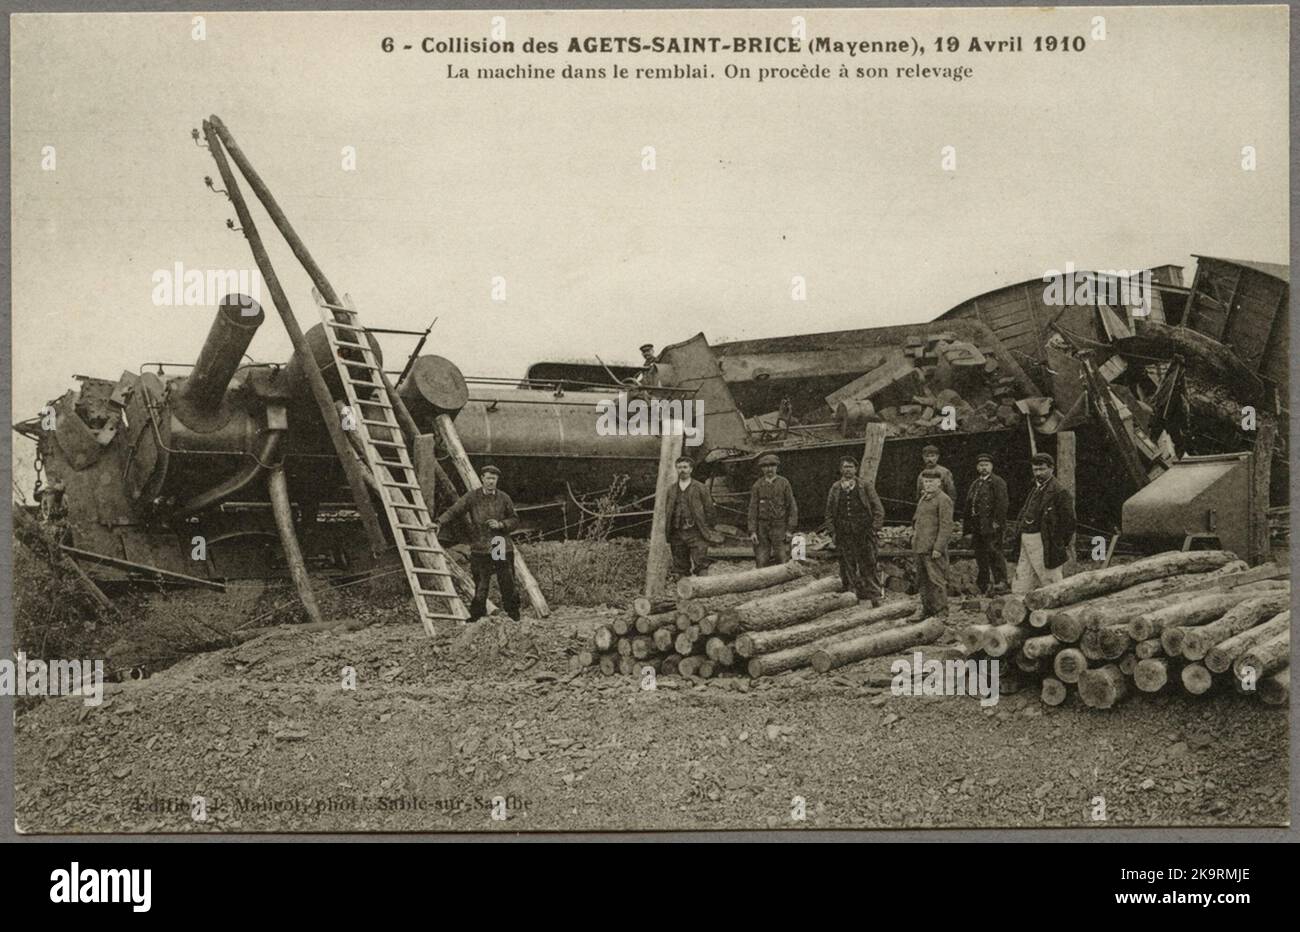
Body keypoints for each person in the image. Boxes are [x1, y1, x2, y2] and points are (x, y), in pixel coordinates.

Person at [429, 464, 521, 622]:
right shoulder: (472, 497)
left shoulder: (504, 498)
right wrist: (438, 523)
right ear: (482, 479)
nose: (491, 481)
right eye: (488, 478)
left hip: (499, 543)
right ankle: (477, 617)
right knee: (481, 584)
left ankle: (514, 616)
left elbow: (514, 519)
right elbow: (454, 510)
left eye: (494, 478)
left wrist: (501, 525)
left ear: (497, 480)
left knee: (506, 581)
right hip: (480, 544)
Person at [1011, 452, 1077, 595]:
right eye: (1035, 469)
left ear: (1051, 469)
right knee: (1023, 577)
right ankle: (1023, 610)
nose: (1038, 473)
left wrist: (1056, 542)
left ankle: (1056, 609)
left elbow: (1069, 522)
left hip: (1044, 541)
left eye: (1042, 469)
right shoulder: (1035, 489)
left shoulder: (1060, 492)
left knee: (1050, 579)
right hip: (1026, 539)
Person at [825, 456, 884, 604]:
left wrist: (875, 528)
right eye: (845, 467)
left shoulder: (865, 486)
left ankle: (874, 595)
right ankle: (851, 597)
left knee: (868, 563)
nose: (848, 470)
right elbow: (829, 512)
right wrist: (832, 531)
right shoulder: (835, 488)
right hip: (844, 533)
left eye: (851, 467)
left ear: (856, 469)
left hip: (864, 532)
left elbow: (878, 508)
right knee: (847, 565)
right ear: (841, 470)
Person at [662, 455, 721, 577]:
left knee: (701, 562)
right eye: (679, 467)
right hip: (677, 532)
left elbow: (710, 510)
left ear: (691, 469)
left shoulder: (700, 488)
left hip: (696, 532)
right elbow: (667, 510)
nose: (682, 470)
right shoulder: (671, 489)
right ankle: (684, 592)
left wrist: (707, 528)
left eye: (685, 467)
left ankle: (705, 590)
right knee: (680, 565)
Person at [964, 453, 1010, 595]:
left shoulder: (997, 482)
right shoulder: (975, 484)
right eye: (981, 465)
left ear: (991, 467)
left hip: (991, 526)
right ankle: (982, 584)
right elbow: (968, 506)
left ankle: (1001, 583)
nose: (983, 468)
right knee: (980, 555)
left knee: (994, 553)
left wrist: (997, 523)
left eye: (986, 465)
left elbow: (1002, 504)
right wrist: (967, 530)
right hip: (978, 526)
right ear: (977, 467)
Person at [912, 468, 953, 616]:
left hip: (933, 549)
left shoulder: (943, 499)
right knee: (923, 582)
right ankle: (927, 610)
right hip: (920, 546)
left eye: (931, 482)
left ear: (939, 483)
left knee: (936, 581)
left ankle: (941, 612)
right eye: (925, 482)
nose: (927, 485)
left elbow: (946, 526)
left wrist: (938, 548)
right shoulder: (924, 498)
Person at [748, 453, 799, 568]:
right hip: (762, 527)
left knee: (782, 558)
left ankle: (784, 585)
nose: (769, 469)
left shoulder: (784, 483)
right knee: (761, 559)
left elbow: (792, 507)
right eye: (765, 466)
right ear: (762, 469)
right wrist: (752, 531)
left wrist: (790, 529)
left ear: (777, 467)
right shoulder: (757, 485)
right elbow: (752, 509)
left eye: (772, 466)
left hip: (779, 526)